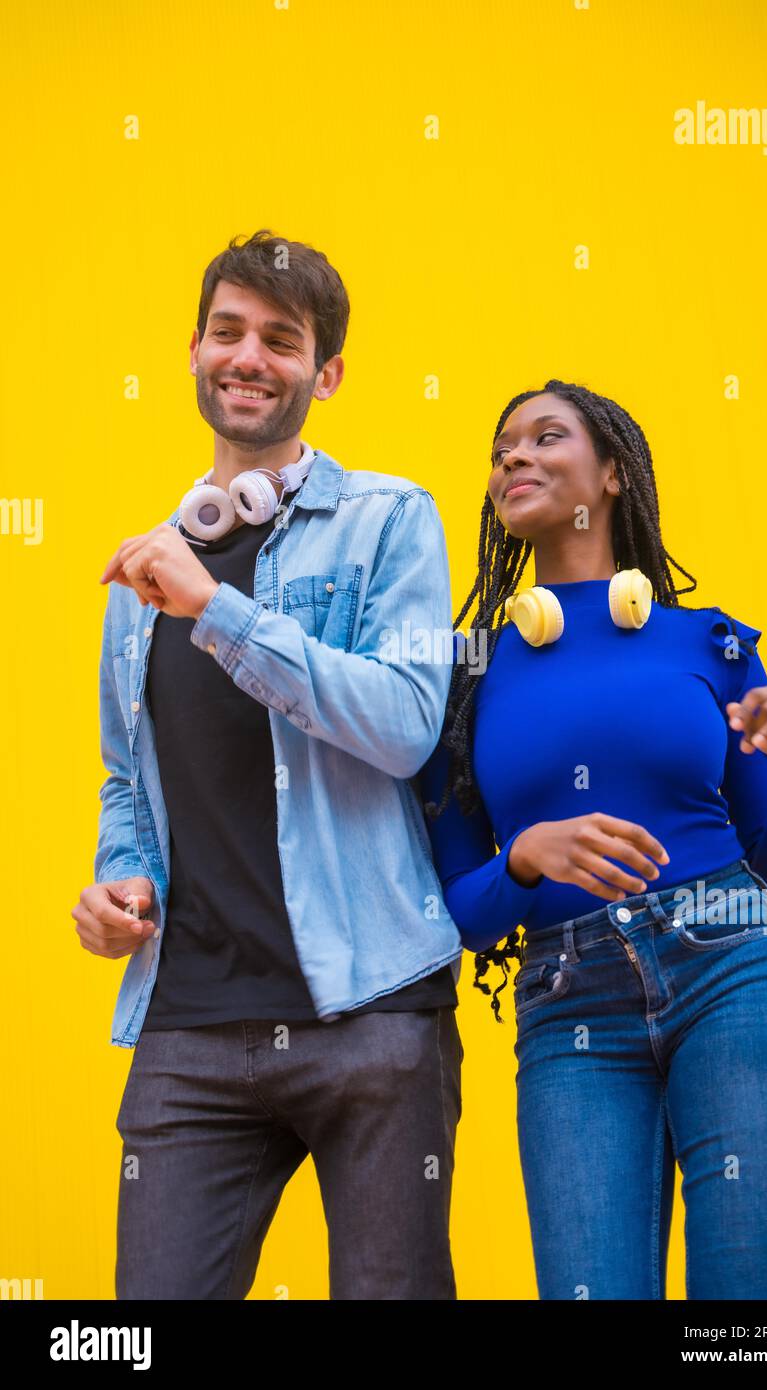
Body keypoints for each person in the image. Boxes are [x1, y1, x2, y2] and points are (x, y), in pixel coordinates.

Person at [72, 229, 464, 1300]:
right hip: (189, 1022)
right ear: (193, 350)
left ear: (323, 373)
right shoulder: (137, 577)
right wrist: (120, 878)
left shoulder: (391, 519)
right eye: (229, 332)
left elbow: (401, 723)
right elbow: (128, 782)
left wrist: (217, 610)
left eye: (281, 340)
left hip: (371, 1013)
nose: (249, 356)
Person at [420, 378, 767, 1300]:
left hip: (734, 970)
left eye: (543, 438)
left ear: (608, 474)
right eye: (501, 449)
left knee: (750, 1322)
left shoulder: (711, 644)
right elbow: (462, 914)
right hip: (571, 1005)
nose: (514, 458)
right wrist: (523, 861)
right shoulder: (466, 676)